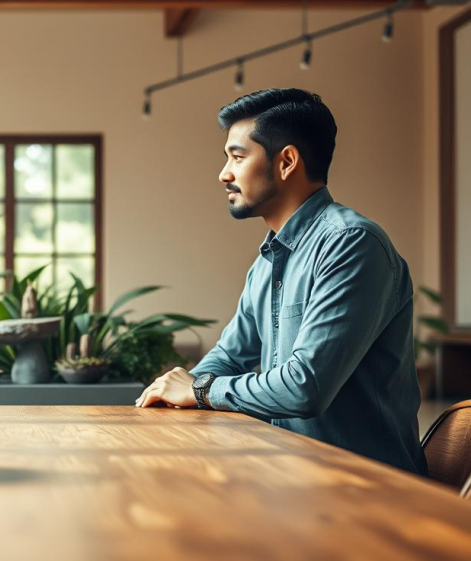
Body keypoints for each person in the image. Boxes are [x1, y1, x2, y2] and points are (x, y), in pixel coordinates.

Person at [135, 89, 426, 474]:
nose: (224, 173)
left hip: (368, 492)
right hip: (288, 480)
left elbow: (304, 387)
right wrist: (173, 392)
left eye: (237, 157)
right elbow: (230, 356)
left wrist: (198, 390)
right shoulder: (267, 261)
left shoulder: (352, 245)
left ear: (287, 161)